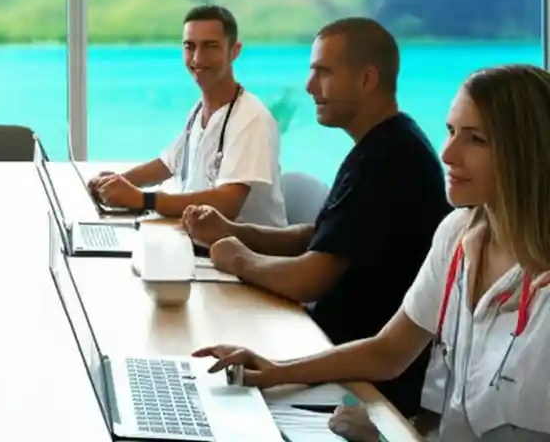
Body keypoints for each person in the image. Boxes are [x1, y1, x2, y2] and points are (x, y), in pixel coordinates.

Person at [195, 64, 550, 440]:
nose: (447, 153)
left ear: (526, 152)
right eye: (450, 132)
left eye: (475, 139)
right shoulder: (458, 234)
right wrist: (278, 370)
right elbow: (388, 352)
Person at [182, 18, 450, 415]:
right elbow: (322, 235)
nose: (310, 86)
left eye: (323, 72)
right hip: (327, 342)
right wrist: (233, 231)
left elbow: (311, 278)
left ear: (367, 79)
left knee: (209, 388)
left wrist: (238, 259)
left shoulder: (388, 160)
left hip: (359, 376)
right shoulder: (382, 144)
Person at [89, 5, 287, 227]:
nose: (197, 58)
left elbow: (228, 203)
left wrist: (144, 200)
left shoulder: (252, 118)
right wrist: (115, 184)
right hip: (201, 238)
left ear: (234, 51)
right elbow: (166, 164)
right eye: (189, 47)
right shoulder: (199, 111)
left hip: (247, 252)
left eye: (210, 46)